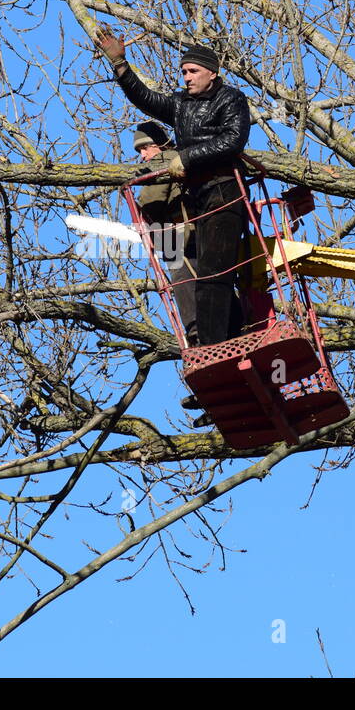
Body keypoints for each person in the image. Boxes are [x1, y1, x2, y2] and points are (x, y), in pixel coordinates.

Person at [97, 28, 252, 420]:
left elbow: (233, 141)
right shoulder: (182, 106)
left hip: (224, 193)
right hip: (199, 199)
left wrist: (189, 157)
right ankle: (222, 365)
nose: (185, 77)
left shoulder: (231, 99)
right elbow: (146, 98)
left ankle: (216, 361)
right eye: (183, 72)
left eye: (192, 71)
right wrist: (119, 64)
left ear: (212, 73)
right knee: (204, 278)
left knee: (213, 276)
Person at [130, 120, 198, 346]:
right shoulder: (185, 158)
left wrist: (144, 218)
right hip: (200, 230)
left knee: (182, 279)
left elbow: (151, 201)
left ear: (158, 144)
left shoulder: (165, 159)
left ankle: (197, 331)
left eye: (144, 148)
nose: (142, 155)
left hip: (181, 234)